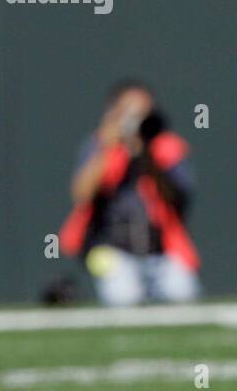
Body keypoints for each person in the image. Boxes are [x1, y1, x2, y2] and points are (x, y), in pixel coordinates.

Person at [60, 81, 200, 306]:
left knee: (183, 292)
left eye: (144, 112)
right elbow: (81, 194)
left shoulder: (166, 146)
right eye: (131, 112)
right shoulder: (99, 144)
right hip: (113, 249)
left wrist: (147, 156)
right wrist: (108, 148)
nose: (137, 119)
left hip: (162, 250)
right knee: (123, 296)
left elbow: (177, 197)